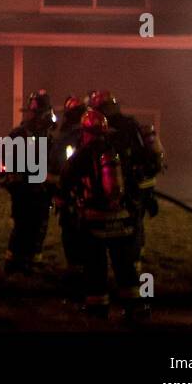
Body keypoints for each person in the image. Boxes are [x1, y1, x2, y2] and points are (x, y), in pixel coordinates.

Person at [59, 109, 148, 322]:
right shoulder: (119, 151)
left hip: (95, 221)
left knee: (95, 265)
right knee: (125, 265)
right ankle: (134, 307)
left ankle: (98, 309)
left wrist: (65, 201)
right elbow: (134, 181)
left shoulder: (82, 154)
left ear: (86, 132)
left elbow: (65, 181)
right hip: (123, 220)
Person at [93, 92, 164, 261]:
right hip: (136, 182)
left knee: (128, 221)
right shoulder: (130, 124)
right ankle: (135, 257)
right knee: (134, 221)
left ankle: (130, 257)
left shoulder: (107, 129)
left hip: (126, 181)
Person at [0, 90, 55, 274]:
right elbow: (6, 159)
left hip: (42, 188)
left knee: (39, 224)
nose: (40, 117)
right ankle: (13, 262)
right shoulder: (18, 135)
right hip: (23, 189)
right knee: (23, 225)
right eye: (38, 113)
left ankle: (31, 260)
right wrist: (13, 177)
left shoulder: (47, 136)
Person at [48, 94, 89, 281]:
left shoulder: (66, 136)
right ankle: (83, 269)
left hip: (70, 192)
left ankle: (76, 270)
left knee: (72, 231)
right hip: (84, 193)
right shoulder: (88, 134)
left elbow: (56, 165)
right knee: (82, 232)